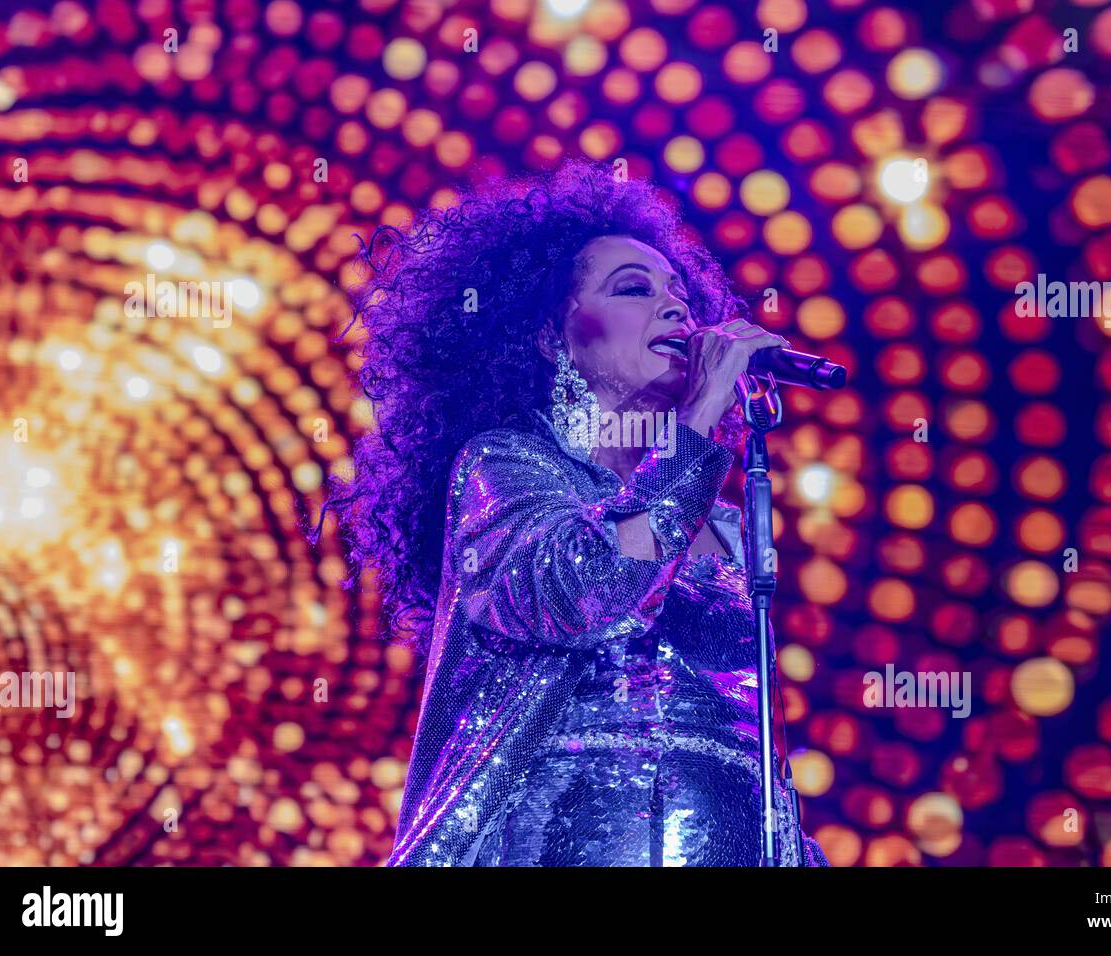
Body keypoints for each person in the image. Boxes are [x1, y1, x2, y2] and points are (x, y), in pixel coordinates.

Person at [326, 159, 829, 866]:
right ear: (553, 339)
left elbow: (752, 742)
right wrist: (702, 414)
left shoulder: (718, 522)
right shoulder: (506, 466)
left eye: (681, 294)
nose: (678, 309)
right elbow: (586, 589)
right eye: (634, 289)